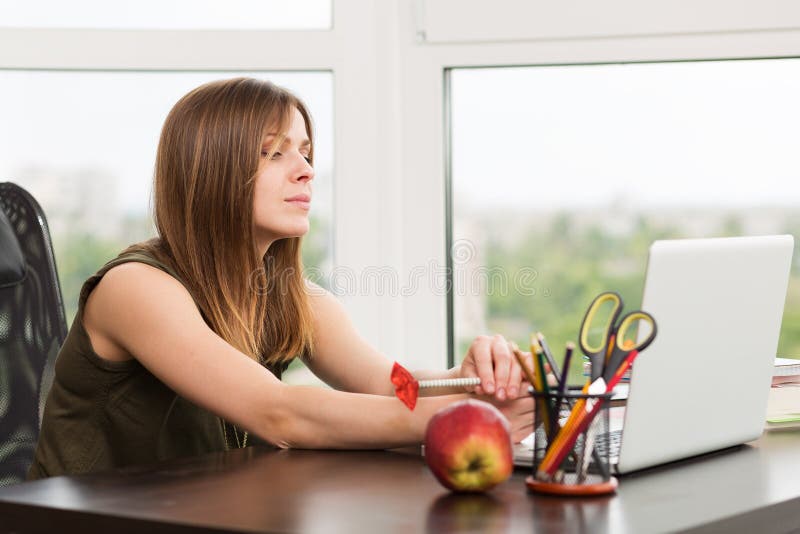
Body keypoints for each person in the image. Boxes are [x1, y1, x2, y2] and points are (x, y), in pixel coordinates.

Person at [28, 77, 534, 479]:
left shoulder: (295, 301)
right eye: (275, 152)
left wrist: (463, 382)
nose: (307, 170)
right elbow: (280, 412)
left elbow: (393, 386)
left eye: (306, 153)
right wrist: (459, 419)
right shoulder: (135, 289)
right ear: (211, 172)